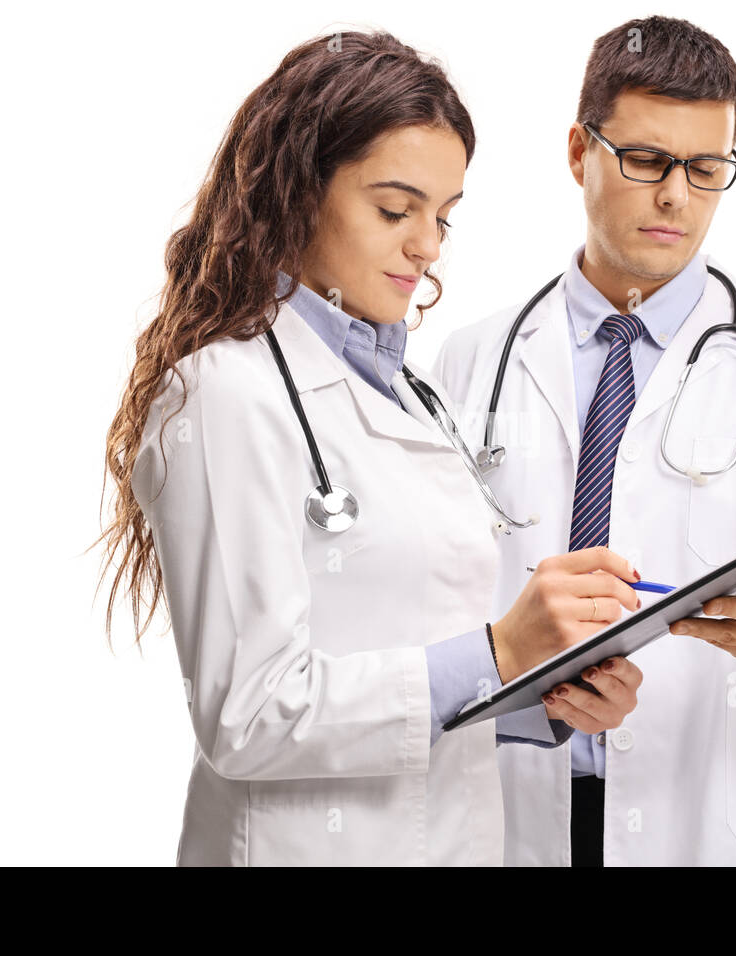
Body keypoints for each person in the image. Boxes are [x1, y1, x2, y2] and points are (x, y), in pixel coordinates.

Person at [93, 29, 644, 866]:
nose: (427, 245)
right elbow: (248, 715)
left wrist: (542, 696)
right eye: (395, 209)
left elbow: (415, 646)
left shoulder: (412, 394)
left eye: (443, 215)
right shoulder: (223, 394)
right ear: (298, 193)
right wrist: (499, 651)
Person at [432, 15, 736, 866]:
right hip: (512, 817)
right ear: (579, 151)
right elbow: (424, 608)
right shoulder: (471, 362)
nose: (676, 197)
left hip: (712, 823)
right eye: (647, 160)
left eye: (706, 167)